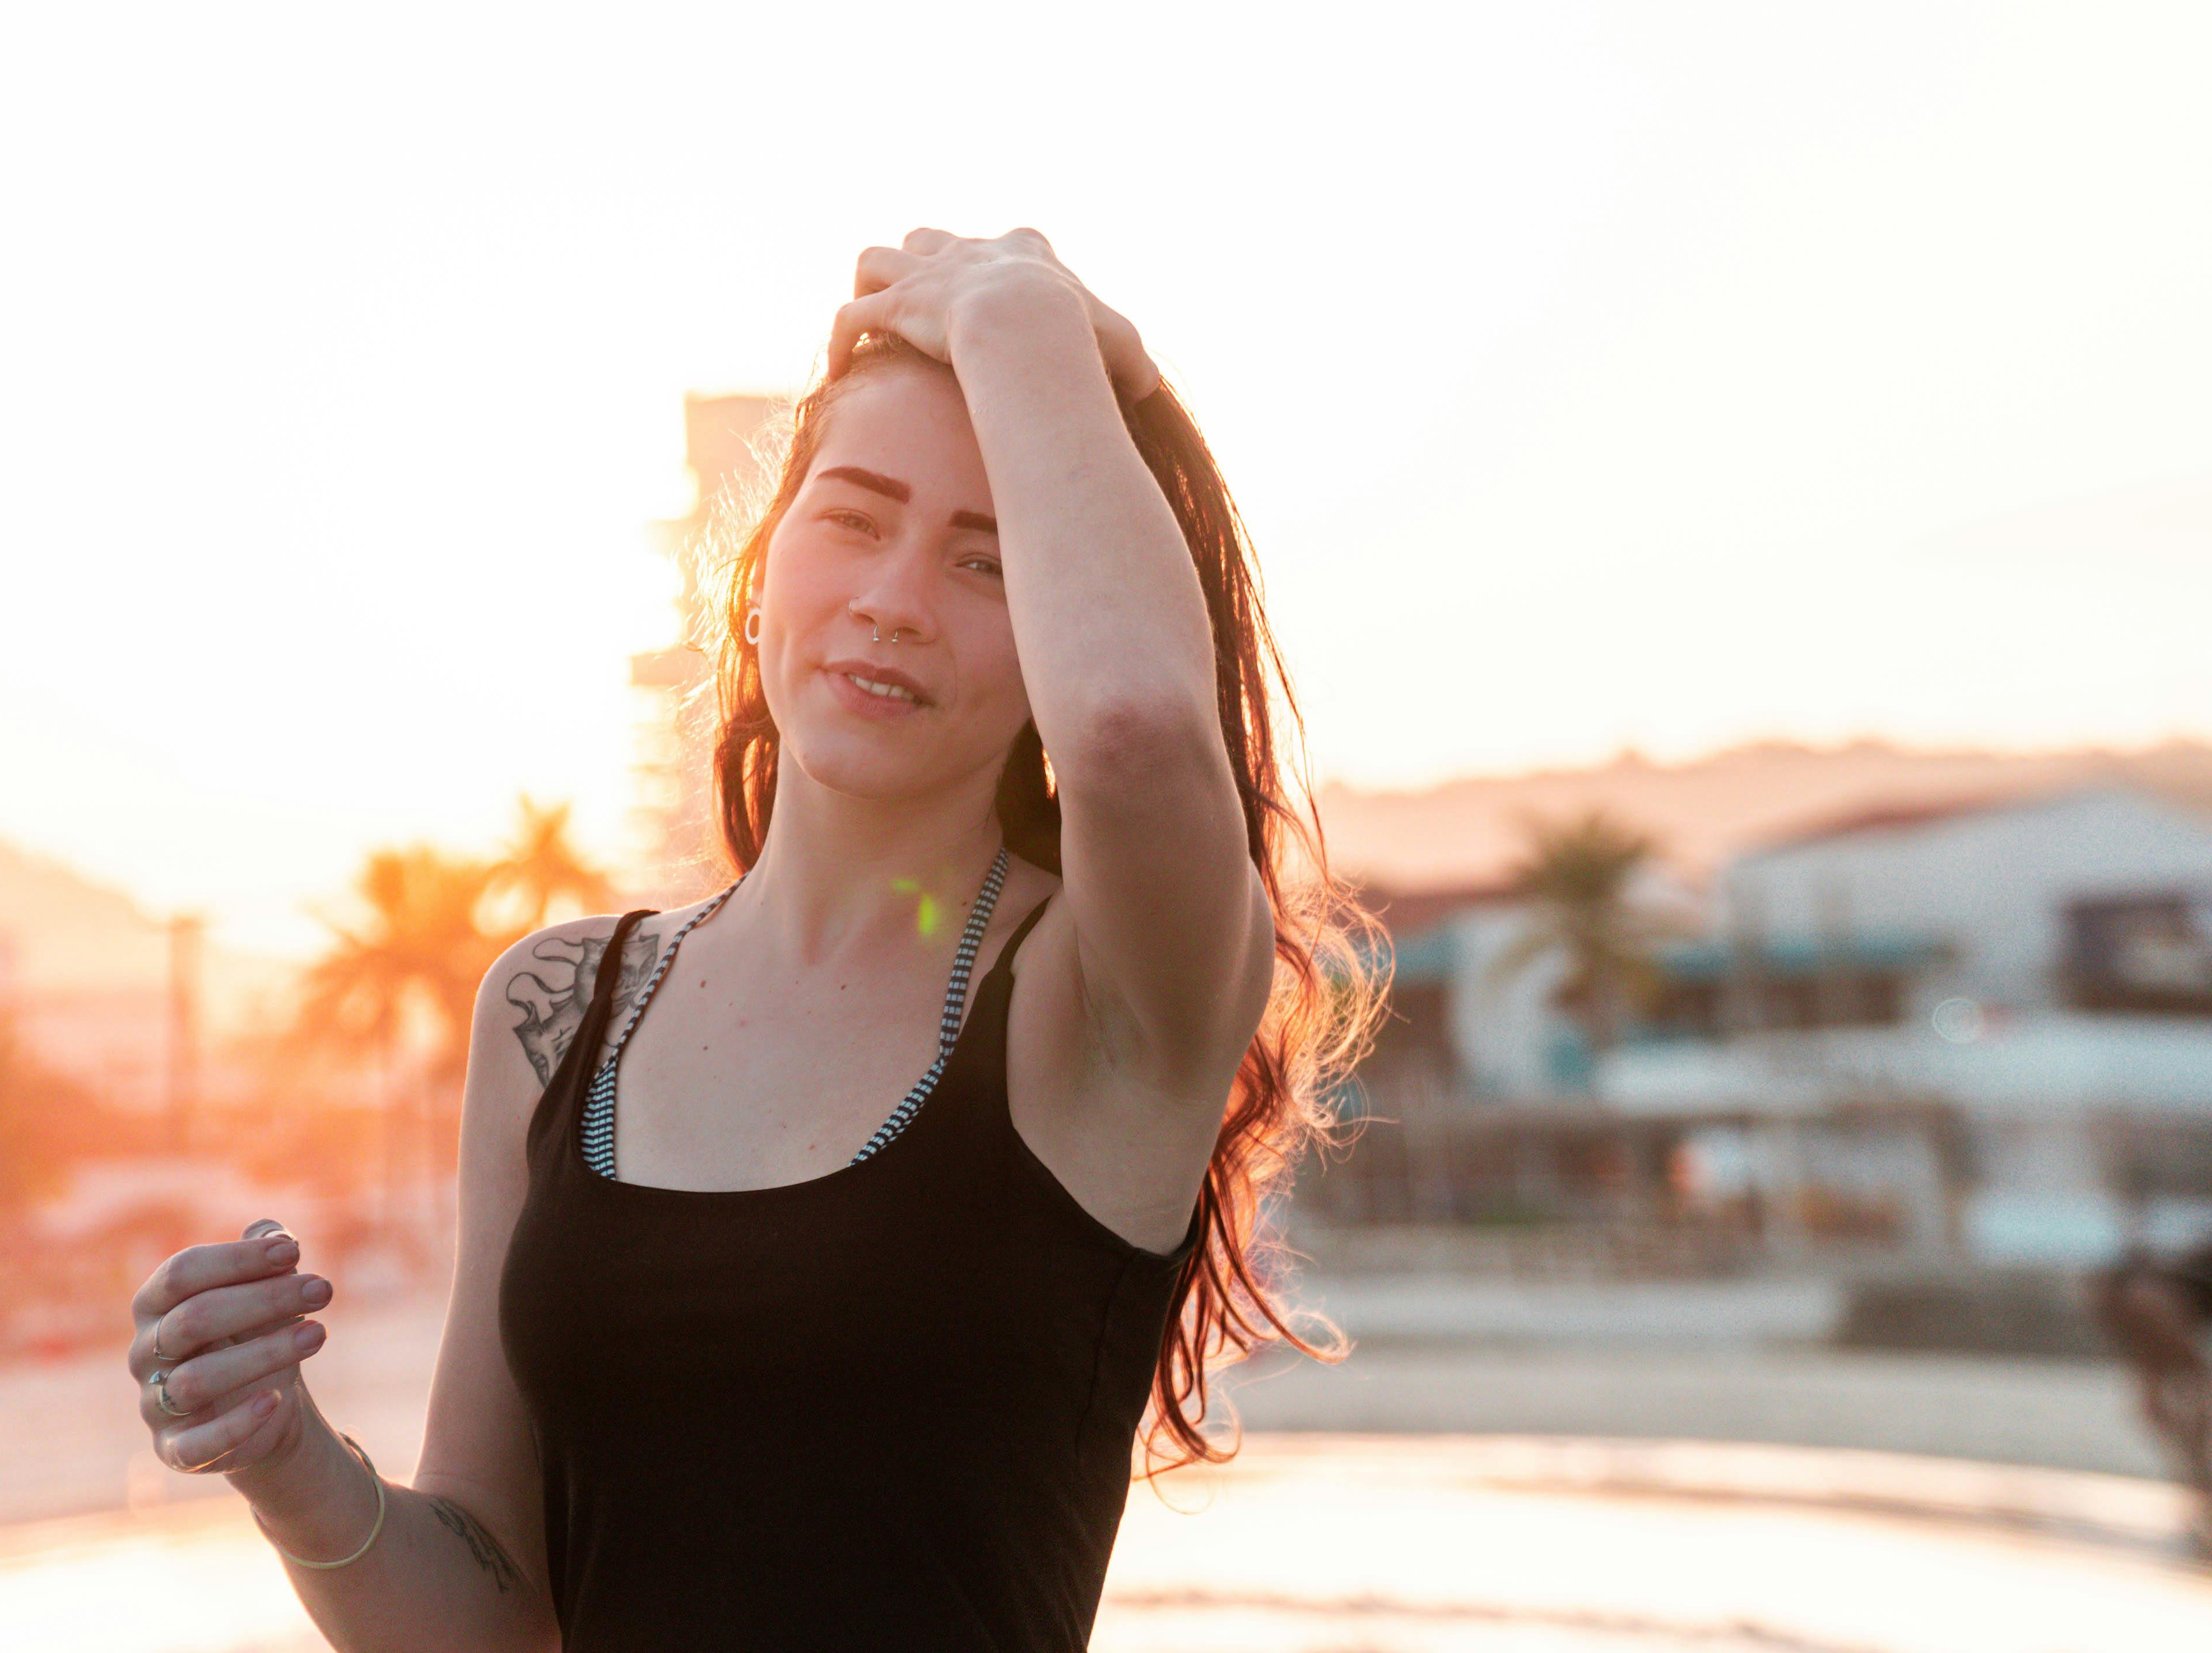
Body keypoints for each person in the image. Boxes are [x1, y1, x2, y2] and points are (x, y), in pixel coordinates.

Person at [125, 227, 1378, 1649]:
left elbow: (1137, 730)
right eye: (851, 517)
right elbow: (491, 1616)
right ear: (762, 555)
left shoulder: (1098, 999)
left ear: (1056, 629)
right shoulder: (556, 1007)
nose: (892, 598)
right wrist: (285, 1459)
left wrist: (1022, 309)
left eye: (986, 560)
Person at [2089, 1232, 2212, 1565]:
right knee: (2203, 1410)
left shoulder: (2206, 1271)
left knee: (2166, 1409)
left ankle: (2203, 1504)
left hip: (2120, 1296)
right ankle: (2211, 1508)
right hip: (2155, 1300)